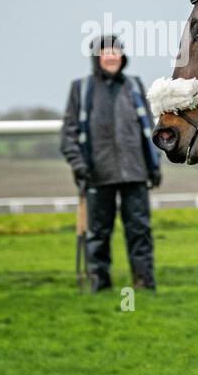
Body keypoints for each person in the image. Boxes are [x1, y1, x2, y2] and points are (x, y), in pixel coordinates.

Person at [59, 34, 161, 292]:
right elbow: (68, 134)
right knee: (98, 234)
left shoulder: (135, 86)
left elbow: (148, 130)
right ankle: (100, 285)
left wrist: (154, 165)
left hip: (135, 173)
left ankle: (144, 283)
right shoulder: (81, 89)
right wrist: (79, 165)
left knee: (140, 232)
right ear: (97, 57)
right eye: (106, 52)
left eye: (116, 51)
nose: (111, 56)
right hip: (97, 174)